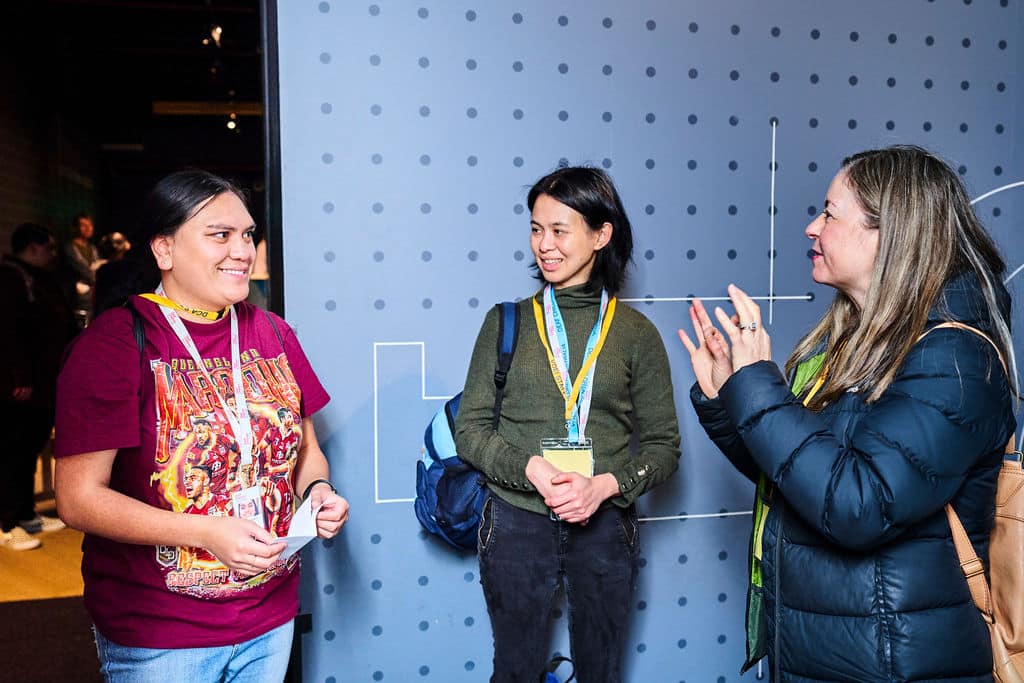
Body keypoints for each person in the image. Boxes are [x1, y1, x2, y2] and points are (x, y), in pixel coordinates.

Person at [679, 145, 1016, 681]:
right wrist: (731, 401)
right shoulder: (854, 340)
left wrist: (759, 387)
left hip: (894, 663)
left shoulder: (953, 356)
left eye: (831, 213)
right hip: (828, 650)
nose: (812, 227)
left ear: (892, 233)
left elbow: (858, 504)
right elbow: (803, 478)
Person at [54, 170, 350, 681]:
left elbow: (306, 451)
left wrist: (318, 489)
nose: (243, 251)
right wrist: (204, 532)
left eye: (248, 235)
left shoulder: (273, 333)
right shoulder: (117, 343)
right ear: (164, 250)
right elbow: (78, 498)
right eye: (220, 234)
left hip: (270, 614)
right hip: (162, 631)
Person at [455, 166, 681, 682]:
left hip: (604, 526)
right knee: (514, 671)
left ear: (601, 235)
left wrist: (605, 486)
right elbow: (471, 431)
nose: (544, 245)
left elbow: (665, 447)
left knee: (600, 671)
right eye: (536, 229)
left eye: (560, 230)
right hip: (515, 520)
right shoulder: (505, 322)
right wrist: (529, 468)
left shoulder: (636, 335)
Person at [0, 223, 76, 550]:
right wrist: (19, 378)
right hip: (22, 387)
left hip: (44, 384)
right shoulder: (11, 277)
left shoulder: (41, 278)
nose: (53, 254)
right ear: (32, 247)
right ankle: (6, 524)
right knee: (12, 451)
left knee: (30, 448)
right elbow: (7, 332)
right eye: (49, 247)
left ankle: (25, 513)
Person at [63, 212, 104, 327]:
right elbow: (84, 270)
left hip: (92, 298)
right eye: (83, 225)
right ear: (75, 228)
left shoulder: (93, 248)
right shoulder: (69, 248)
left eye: (90, 225)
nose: (88, 228)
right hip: (77, 299)